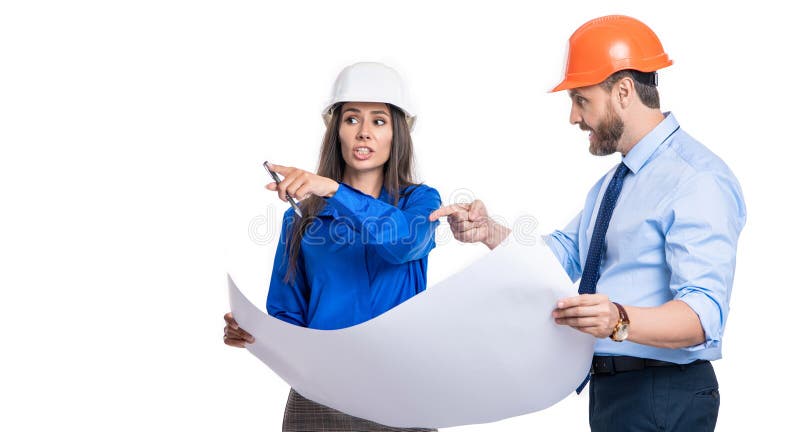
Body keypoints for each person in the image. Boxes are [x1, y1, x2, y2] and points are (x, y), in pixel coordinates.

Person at [429, 15, 746, 431]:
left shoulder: (696, 179)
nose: (573, 118)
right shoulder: (614, 185)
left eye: (581, 100)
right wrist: (490, 232)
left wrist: (618, 319)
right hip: (616, 390)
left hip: (663, 392)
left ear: (623, 91)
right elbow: (562, 255)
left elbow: (704, 316)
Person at [223, 62, 441, 432]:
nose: (364, 134)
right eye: (352, 119)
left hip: (401, 389)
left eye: (379, 121)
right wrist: (254, 335)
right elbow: (288, 316)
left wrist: (334, 190)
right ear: (336, 130)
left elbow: (402, 244)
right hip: (319, 397)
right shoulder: (300, 219)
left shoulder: (419, 203)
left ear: (397, 133)